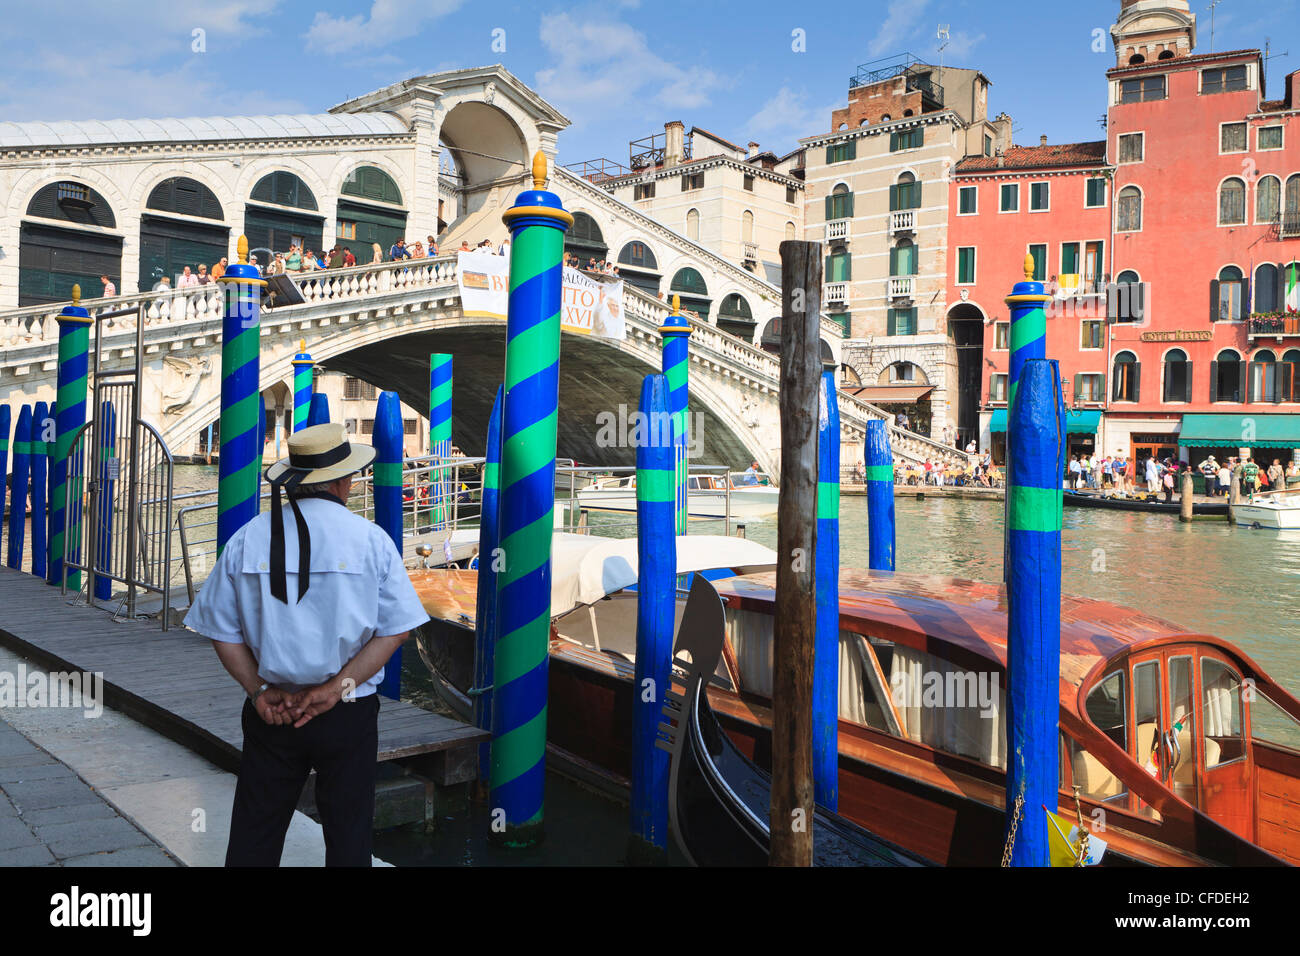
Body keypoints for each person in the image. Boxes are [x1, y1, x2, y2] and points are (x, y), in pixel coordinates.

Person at [183, 424, 430, 867]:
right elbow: (396, 630)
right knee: (349, 836)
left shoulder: (247, 537)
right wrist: (335, 690)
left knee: (255, 834)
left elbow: (221, 631)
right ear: (341, 481)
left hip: (272, 711)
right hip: (347, 710)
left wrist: (260, 691)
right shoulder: (371, 539)